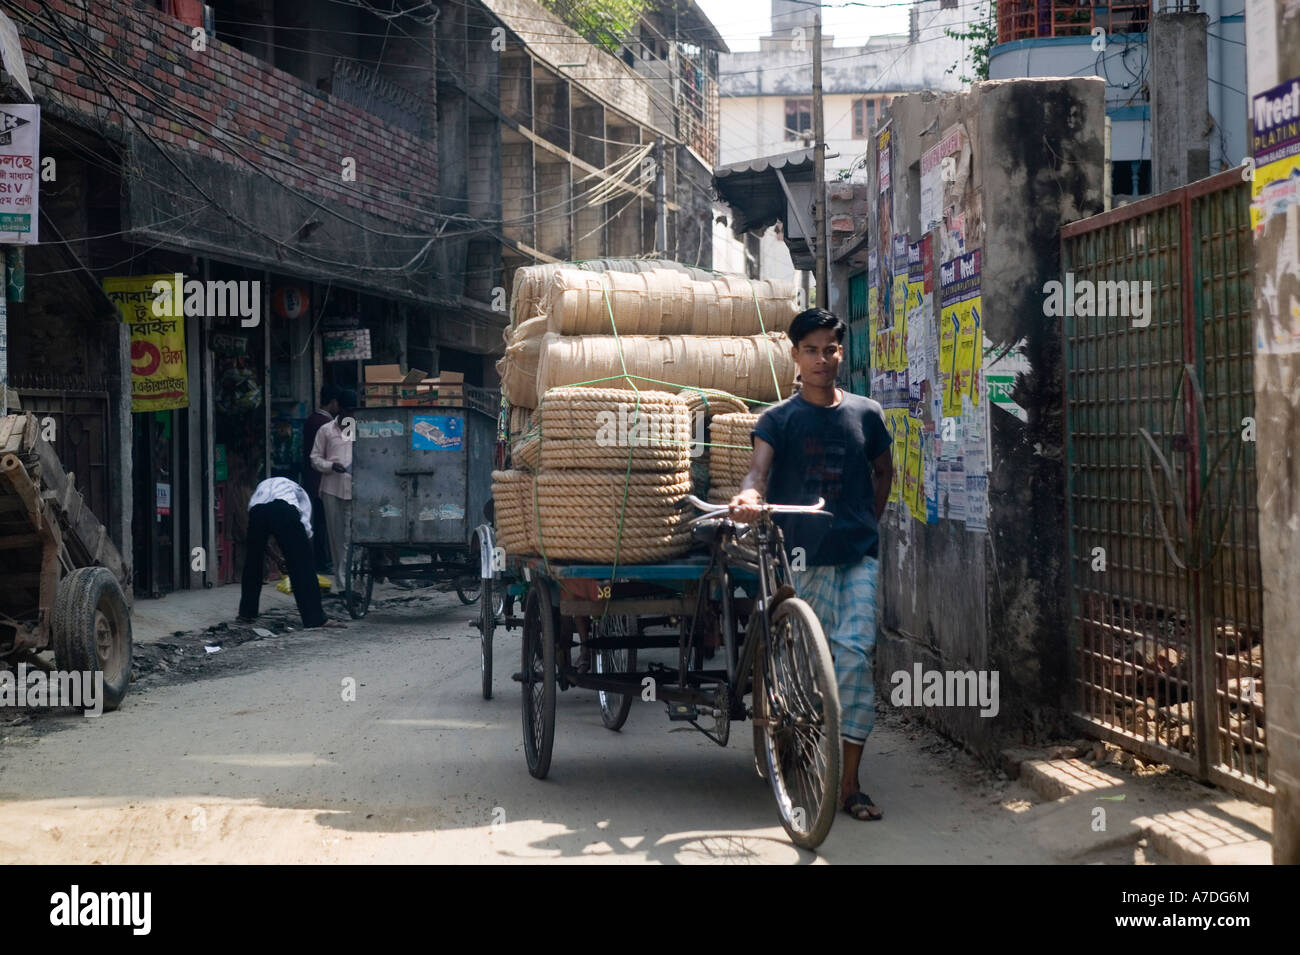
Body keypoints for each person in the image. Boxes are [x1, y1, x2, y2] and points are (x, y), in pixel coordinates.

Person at [729, 307, 894, 822]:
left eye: (831, 349)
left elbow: (884, 471)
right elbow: (757, 473)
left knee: (855, 659)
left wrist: (868, 521)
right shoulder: (778, 419)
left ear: (840, 352)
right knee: (802, 665)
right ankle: (793, 744)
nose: (823, 359)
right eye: (812, 350)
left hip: (857, 556)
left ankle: (849, 785)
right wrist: (748, 498)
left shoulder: (868, 413)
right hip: (799, 559)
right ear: (795, 356)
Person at [237, 476, 344, 629]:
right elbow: (305, 531)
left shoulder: (260, 491)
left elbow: (262, 542)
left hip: (258, 510)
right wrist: (301, 555)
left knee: (253, 562)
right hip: (284, 508)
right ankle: (314, 618)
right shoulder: (301, 494)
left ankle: (247, 613)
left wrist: (278, 558)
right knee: (302, 566)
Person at [311, 388, 355, 591]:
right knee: (336, 537)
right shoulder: (326, 430)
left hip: (355, 489)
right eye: (348, 411)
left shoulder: (359, 429)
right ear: (340, 408)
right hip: (332, 488)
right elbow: (315, 458)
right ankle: (343, 583)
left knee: (351, 536)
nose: (350, 415)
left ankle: (351, 578)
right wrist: (330, 466)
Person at [303, 385, 340, 575]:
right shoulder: (324, 424)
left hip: (315, 478)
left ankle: (322, 559)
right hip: (320, 479)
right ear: (332, 402)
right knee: (323, 523)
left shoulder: (313, 420)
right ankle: (322, 560)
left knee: (320, 522)